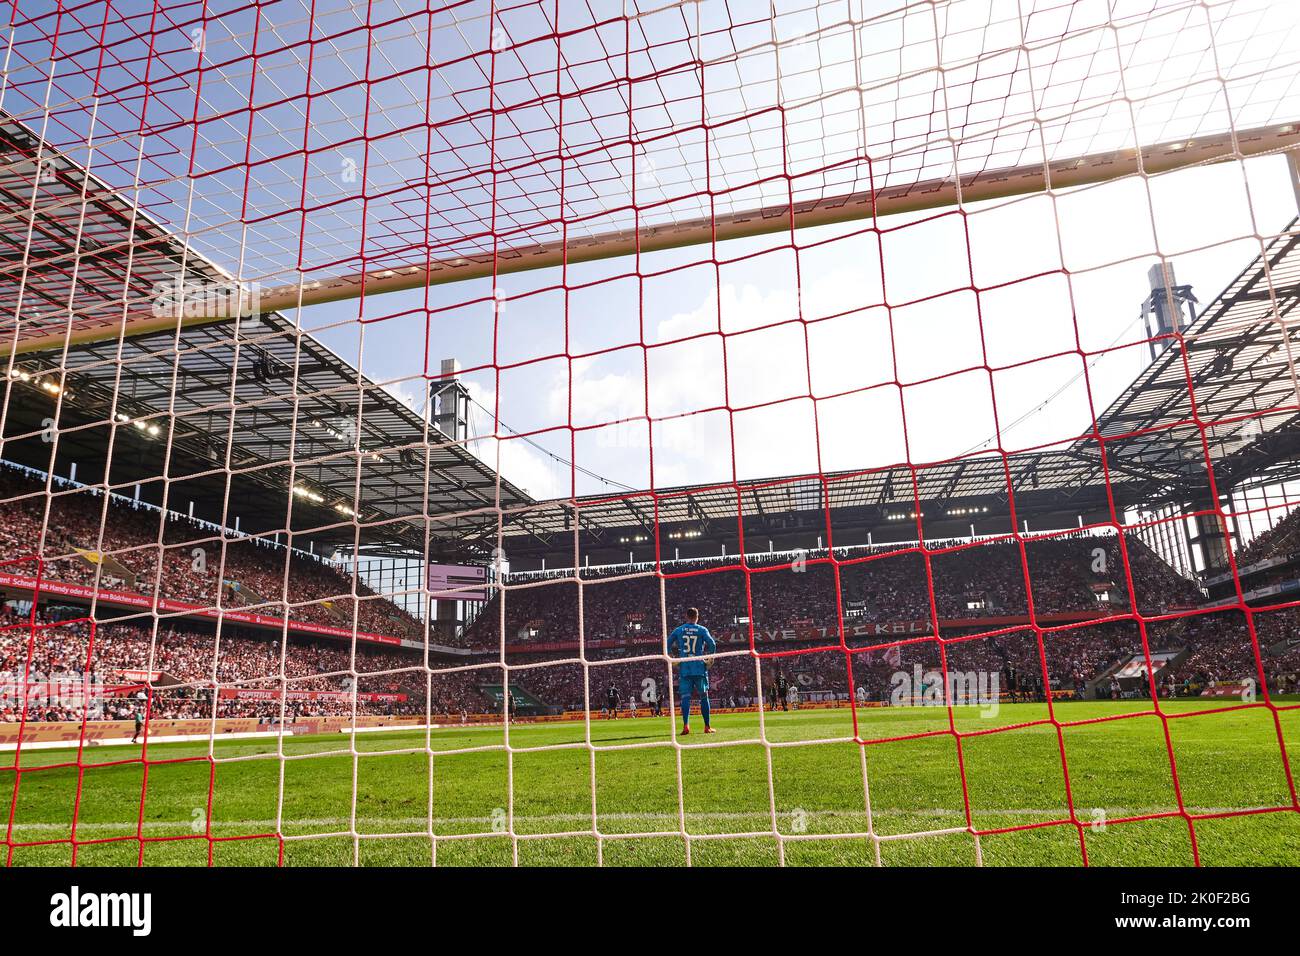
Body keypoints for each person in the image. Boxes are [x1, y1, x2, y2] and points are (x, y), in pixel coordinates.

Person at [668, 607, 716, 735]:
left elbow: (668, 642)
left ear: (686, 616)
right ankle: (707, 727)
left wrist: (671, 657)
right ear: (697, 616)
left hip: (685, 668)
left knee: (685, 698)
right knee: (704, 696)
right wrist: (710, 658)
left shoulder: (679, 630)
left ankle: (686, 726)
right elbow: (712, 644)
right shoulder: (701, 630)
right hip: (699, 667)